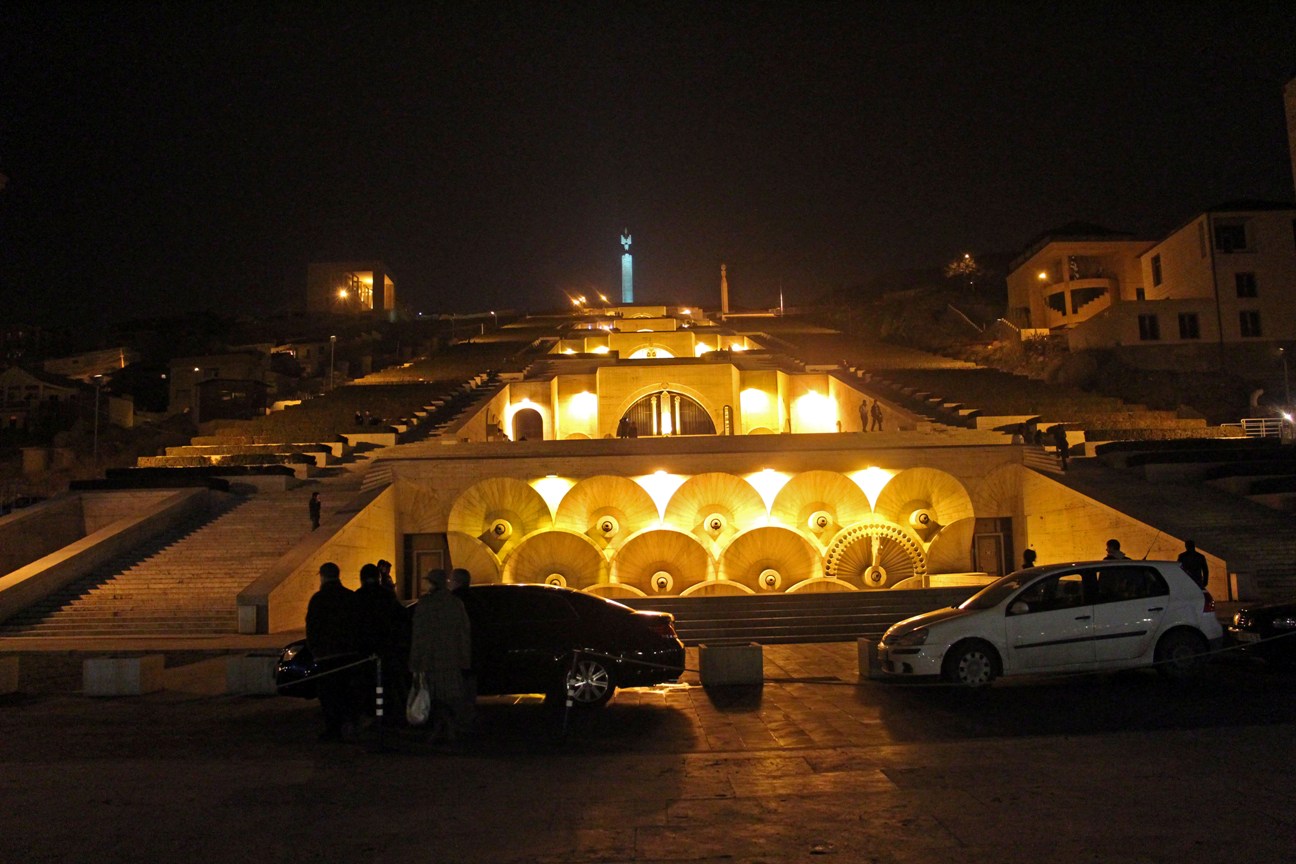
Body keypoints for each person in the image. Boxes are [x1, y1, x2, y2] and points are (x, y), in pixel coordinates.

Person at [408, 568, 472, 742]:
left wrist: (415, 662)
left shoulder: (425, 604)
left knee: (434, 698)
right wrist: (464, 658)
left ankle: (442, 729)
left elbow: (419, 635)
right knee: (448, 697)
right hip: (451, 659)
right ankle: (448, 729)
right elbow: (463, 632)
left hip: (431, 660)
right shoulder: (455, 603)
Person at [305, 562, 359, 740]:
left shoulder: (318, 599)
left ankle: (334, 729)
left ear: (322, 576)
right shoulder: (349, 597)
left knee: (329, 696)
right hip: (348, 655)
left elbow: (312, 628)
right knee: (348, 693)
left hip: (326, 656)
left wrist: (315, 650)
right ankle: (350, 727)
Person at [355, 562, 411, 726]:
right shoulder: (387, 596)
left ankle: (371, 716)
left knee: (367, 687)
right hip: (386, 648)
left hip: (364, 651)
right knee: (386, 685)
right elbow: (402, 618)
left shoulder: (357, 597)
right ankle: (387, 717)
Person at [449, 568, 477, 731]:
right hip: (472, 651)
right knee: (470, 686)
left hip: (458, 652)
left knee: (458, 688)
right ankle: (469, 714)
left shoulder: (453, 601)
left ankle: (461, 718)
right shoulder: (475, 599)